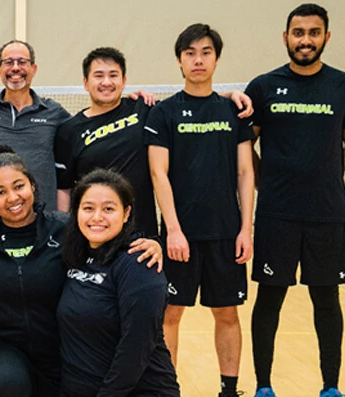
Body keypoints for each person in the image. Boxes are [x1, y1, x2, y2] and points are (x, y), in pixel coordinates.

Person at [0, 146, 163, 396]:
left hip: (60, 347)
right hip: (1, 345)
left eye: (19, 186)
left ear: (32, 185)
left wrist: (148, 242)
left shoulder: (64, 228)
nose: (12, 197)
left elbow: (105, 239)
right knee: (7, 385)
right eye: (0, 192)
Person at [244, 4, 345, 397]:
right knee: (269, 299)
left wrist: (324, 178)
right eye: (298, 32)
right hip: (276, 215)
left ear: (326, 38)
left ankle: (330, 386)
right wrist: (268, 183)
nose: (305, 40)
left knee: (327, 300)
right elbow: (246, 143)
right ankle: (264, 386)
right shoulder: (263, 87)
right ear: (285, 37)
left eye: (313, 33)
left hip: (326, 214)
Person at [145, 24, 256, 397]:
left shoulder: (232, 111)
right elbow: (159, 174)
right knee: (170, 314)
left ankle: (229, 389)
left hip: (226, 233)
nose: (198, 59)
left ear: (216, 59)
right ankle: (166, 388)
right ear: (179, 60)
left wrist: (246, 229)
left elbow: (245, 171)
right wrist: (173, 230)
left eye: (206, 52)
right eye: (190, 52)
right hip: (181, 235)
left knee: (227, 313)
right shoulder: (163, 114)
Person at [55, 47, 254, 236]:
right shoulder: (68, 130)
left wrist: (229, 95)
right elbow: (64, 188)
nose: (106, 82)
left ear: (124, 81)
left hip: (142, 234)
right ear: (85, 82)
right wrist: (67, 232)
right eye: (99, 76)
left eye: (113, 75)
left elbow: (191, 106)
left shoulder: (143, 109)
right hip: (95, 232)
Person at [57, 168, 179, 396]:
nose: (97, 217)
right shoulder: (75, 254)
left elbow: (136, 349)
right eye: (88, 208)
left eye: (109, 209)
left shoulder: (140, 264)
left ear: (126, 214)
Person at [0, 40, 71, 213]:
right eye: (9, 62)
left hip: (44, 223)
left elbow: (84, 130)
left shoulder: (54, 112)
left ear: (34, 69)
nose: (15, 68)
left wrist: (127, 106)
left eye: (22, 62)